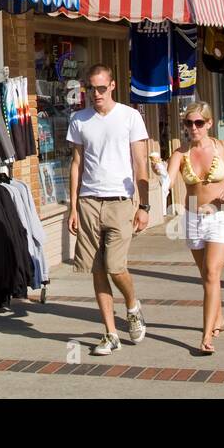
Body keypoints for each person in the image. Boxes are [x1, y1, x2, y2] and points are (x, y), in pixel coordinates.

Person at [67, 63, 151, 357]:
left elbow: (141, 163)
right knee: (97, 268)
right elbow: (76, 164)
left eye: (102, 88)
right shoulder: (79, 120)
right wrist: (73, 207)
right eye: (91, 88)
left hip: (120, 201)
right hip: (89, 201)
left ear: (112, 86)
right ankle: (110, 332)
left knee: (116, 266)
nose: (96, 94)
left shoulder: (130, 117)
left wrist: (144, 205)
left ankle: (132, 306)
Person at [164, 101, 224, 356]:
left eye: (199, 123)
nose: (194, 128)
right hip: (192, 219)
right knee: (206, 276)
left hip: (221, 217)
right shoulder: (180, 154)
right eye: (189, 123)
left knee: (212, 273)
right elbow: (166, 183)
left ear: (209, 123)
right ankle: (219, 318)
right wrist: (158, 173)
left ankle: (206, 335)